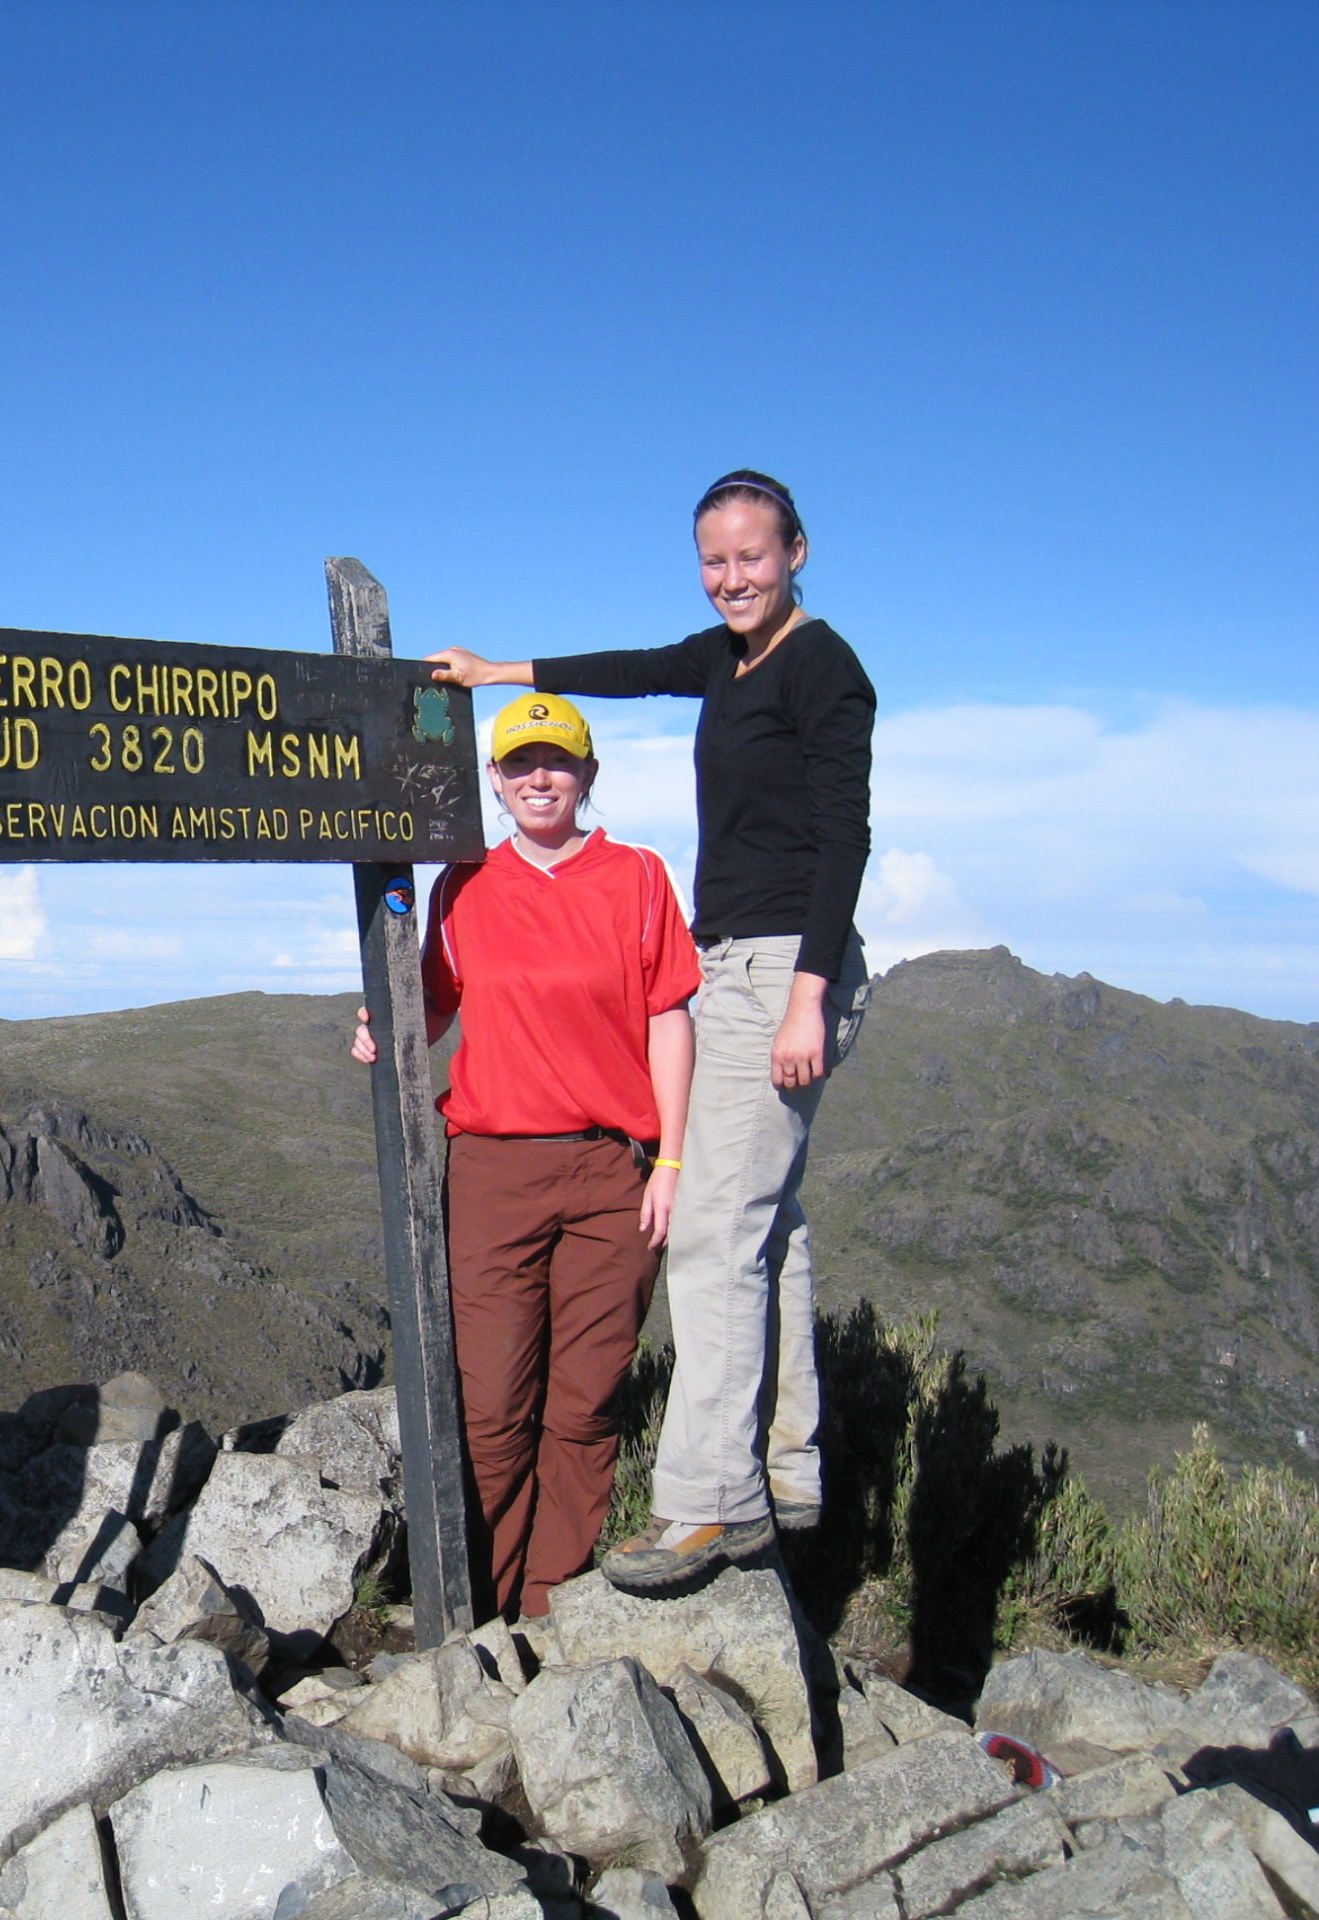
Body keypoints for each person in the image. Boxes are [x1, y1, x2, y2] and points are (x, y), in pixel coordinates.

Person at [427, 469, 873, 1594]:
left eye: (751, 556)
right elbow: (625, 670)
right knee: (771, 1218)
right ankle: (790, 1462)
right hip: (739, 962)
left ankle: (710, 1502)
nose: (732, 578)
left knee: (716, 1231)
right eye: (714, 561)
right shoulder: (727, 660)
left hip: (782, 964)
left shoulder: (823, 668)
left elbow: (844, 839)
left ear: (797, 552)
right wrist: (495, 671)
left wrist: (809, 993)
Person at [353, 693, 698, 1621]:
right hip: (493, 1173)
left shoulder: (639, 877)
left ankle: (551, 1608)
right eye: (519, 764)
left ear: (588, 774)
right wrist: (386, 1026)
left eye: (557, 761)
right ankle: (485, 1608)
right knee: (493, 1406)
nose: (539, 778)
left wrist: (670, 1162)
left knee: (585, 1405)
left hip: (612, 1175)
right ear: (495, 782)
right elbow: (434, 1000)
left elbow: (670, 1017)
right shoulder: (462, 884)